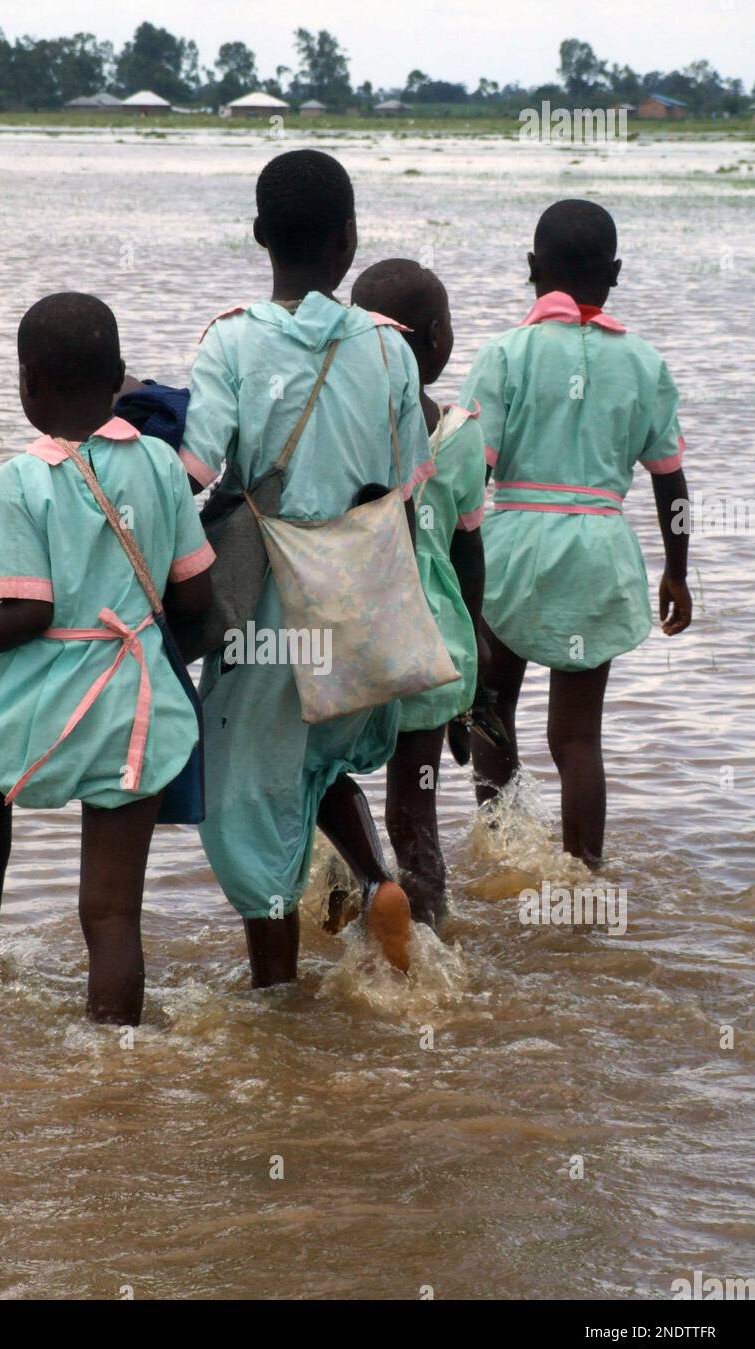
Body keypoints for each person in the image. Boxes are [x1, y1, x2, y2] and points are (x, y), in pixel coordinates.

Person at [0, 292, 213, 1023]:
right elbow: (197, 601)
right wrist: (149, 657)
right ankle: (116, 1067)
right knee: (112, 915)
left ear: (27, 383)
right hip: (139, 701)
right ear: (119, 374)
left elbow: (28, 615)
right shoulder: (162, 463)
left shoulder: (21, 479)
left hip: (54, 700)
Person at [180, 149, 435, 982]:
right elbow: (404, 475)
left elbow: (192, 470)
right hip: (361, 603)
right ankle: (374, 880)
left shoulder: (230, 342)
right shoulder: (391, 351)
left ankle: (275, 997)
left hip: (269, 617)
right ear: (349, 241)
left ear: (259, 236)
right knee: (319, 763)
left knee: (248, 799)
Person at [461, 199, 692, 865]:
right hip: (597, 548)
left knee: (491, 712)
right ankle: (584, 875)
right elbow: (668, 479)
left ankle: (501, 854)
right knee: (577, 739)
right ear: (614, 273)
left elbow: (468, 474)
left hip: (509, 550)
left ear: (531, 268)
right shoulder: (644, 362)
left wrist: (447, 566)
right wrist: (675, 569)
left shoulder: (504, 352)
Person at [351, 259, 486, 925]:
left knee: (323, 784)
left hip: (344, 632)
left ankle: (357, 899)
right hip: (430, 642)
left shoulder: (340, 426)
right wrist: (474, 662)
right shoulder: (459, 434)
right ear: (437, 337)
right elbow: (467, 551)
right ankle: (427, 943)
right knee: (415, 806)